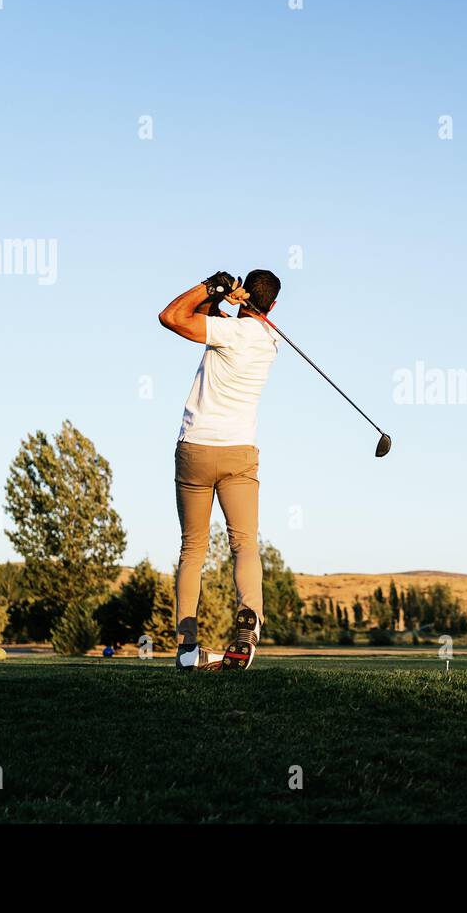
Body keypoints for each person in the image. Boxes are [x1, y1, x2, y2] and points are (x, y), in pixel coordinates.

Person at [157, 270, 282, 670]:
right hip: (239, 455)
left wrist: (210, 288)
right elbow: (216, 323)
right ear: (273, 306)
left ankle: (186, 646)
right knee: (244, 544)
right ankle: (250, 620)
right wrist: (225, 300)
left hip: (195, 449)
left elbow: (171, 316)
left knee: (192, 549)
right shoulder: (270, 342)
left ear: (247, 293)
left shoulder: (228, 333)